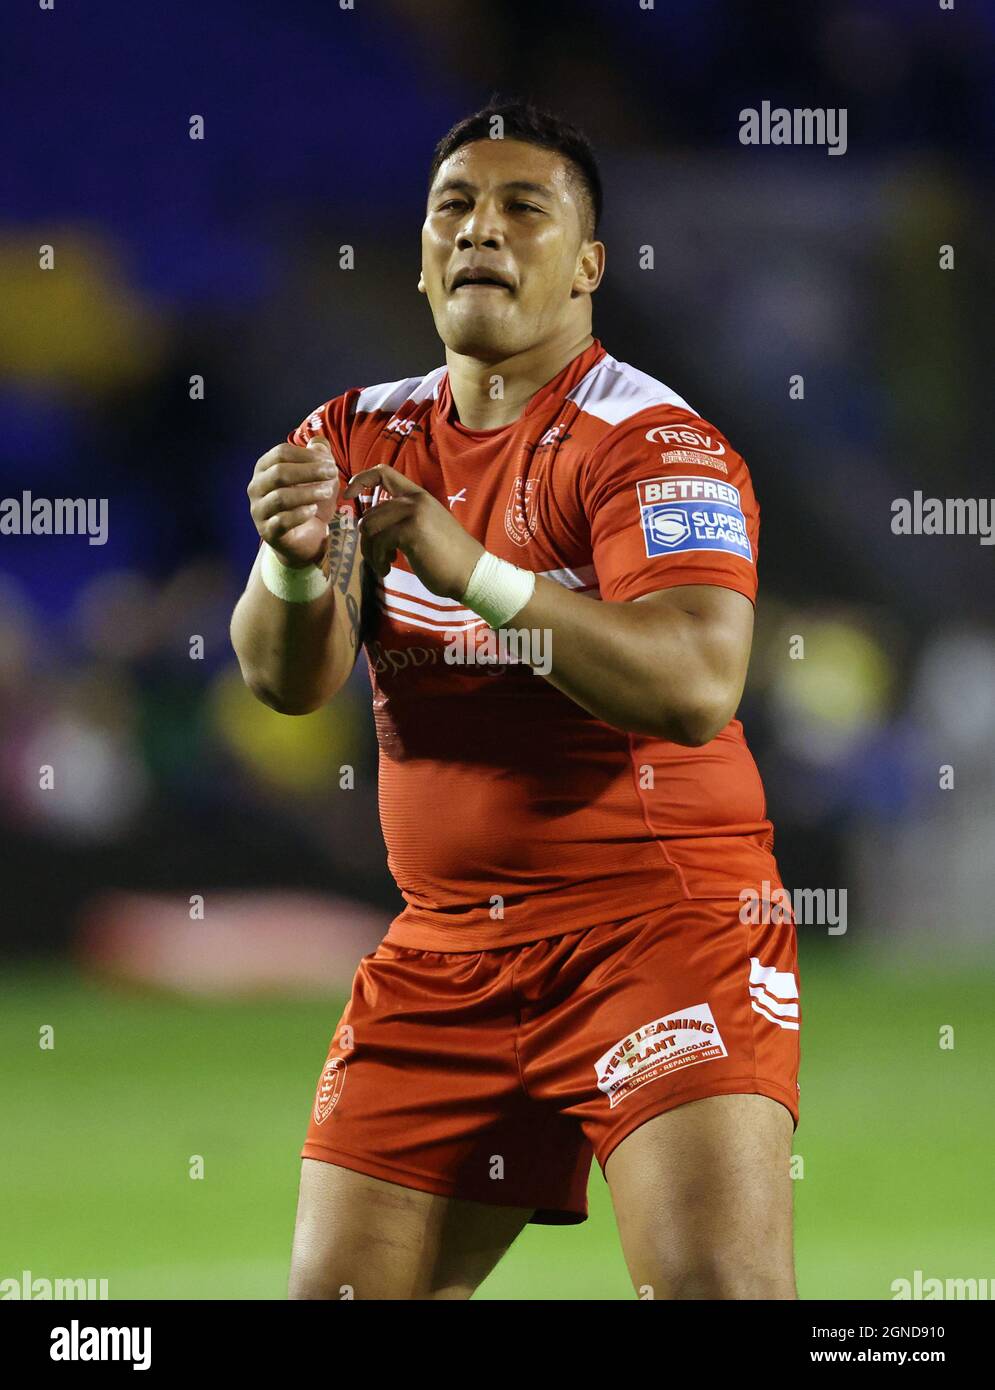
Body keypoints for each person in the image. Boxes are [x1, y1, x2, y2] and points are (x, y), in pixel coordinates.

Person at [230, 98, 801, 1300]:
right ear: (424, 257)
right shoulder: (353, 432)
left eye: (521, 208)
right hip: (444, 950)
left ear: (587, 267)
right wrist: (289, 560)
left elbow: (697, 684)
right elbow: (289, 680)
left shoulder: (653, 445)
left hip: (656, 928)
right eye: (453, 207)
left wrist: (471, 570)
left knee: (714, 1293)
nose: (479, 229)